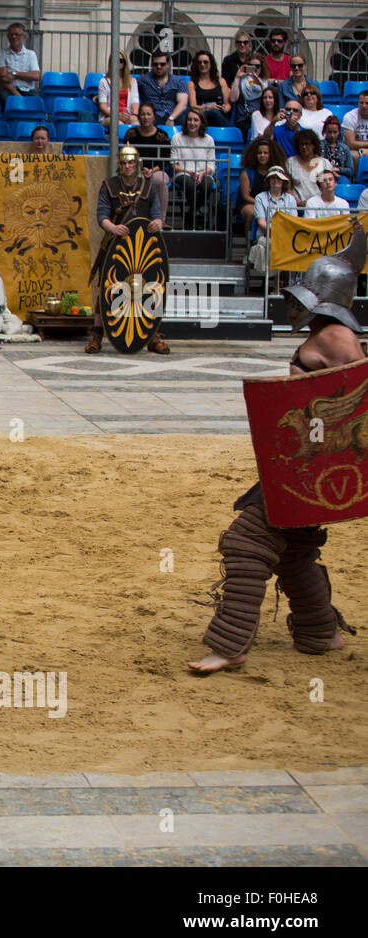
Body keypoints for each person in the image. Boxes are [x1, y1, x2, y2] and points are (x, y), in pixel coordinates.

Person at [188, 225, 365, 675]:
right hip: (311, 460)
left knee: (246, 541)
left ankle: (229, 645)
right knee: (293, 548)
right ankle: (320, 631)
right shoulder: (335, 337)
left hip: (310, 464)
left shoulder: (333, 339)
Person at [88, 146, 167, 355]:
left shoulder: (147, 187)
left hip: (143, 248)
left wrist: (158, 222)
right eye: (124, 163)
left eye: (131, 162)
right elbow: (102, 215)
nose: (127, 166)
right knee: (106, 288)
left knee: (150, 288)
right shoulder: (109, 186)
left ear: (137, 163)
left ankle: (153, 334)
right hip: (117, 245)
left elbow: (156, 214)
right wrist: (112, 227)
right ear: (119, 164)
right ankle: (97, 334)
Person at [170, 107, 217, 226]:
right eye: (189, 120)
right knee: (189, 183)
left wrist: (202, 173)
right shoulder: (177, 138)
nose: (192, 123)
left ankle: (191, 212)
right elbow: (173, 164)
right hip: (183, 173)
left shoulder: (209, 140)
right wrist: (188, 171)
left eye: (196, 120)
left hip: (203, 173)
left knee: (207, 184)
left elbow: (212, 164)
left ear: (201, 122)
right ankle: (196, 213)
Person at [247, 165, 297, 274]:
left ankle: (280, 284)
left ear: (283, 181)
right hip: (266, 235)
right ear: (268, 181)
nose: (275, 180)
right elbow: (261, 222)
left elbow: (293, 222)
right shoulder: (260, 198)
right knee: (270, 244)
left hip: (286, 236)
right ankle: (273, 282)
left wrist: (282, 234)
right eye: (273, 178)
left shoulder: (291, 199)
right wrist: (276, 232)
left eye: (278, 178)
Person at [123, 102, 172, 213]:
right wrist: (140, 168)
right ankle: (135, 216)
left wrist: (152, 170)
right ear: (139, 116)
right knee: (135, 178)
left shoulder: (162, 135)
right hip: (136, 170)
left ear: (154, 116)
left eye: (148, 114)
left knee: (161, 180)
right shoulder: (131, 133)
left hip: (156, 170)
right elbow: (127, 155)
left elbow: (165, 159)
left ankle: (160, 219)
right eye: (143, 114)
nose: (145, 117)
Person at [238, 138, 287, 237]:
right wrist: (262, 204)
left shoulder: (277, 171)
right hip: (251, 203)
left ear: (271, 155)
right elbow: (246, 196)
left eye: (265, 153)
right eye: (259, 153)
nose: (262, 155)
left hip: (272, 202)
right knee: (252, 213)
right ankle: (250, 244)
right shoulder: (247, 172)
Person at [0, 23, 40, 107]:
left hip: (28, 90)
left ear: (24, 37)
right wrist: (17, 95)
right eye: (11, 34)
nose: (14, 37)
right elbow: (3, 78)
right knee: (8, 100)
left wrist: (14, 74)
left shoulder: (31, 54)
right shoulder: (1, 53)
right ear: (8, 37)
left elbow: (36, 76)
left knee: (37, 103)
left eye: (17, 34)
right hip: (8, 90)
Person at [138, 52, 188, 125]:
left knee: (189, 122)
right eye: (156, 64)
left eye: (162, 64)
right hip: (152, 116)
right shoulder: (142, 80)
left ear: (168, 65)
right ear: (151, 65)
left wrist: (171, 118)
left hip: (173, 114)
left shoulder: (178, 81)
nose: (159, 66)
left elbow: (183, 103)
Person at [187, 50, 230, 129]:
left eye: (205, 62)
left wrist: (225, 108)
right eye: (199, 62)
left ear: (211, 64)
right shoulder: (192, 84)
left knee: (216, 113)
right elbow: (193, 106)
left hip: (219, 115)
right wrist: (209, 108)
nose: (202, 64)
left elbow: (227, 104)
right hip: (202, 116)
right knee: (212, 113)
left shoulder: (221, 81)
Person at [230, 53, 269, 138]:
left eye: (257, 66)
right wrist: (237, 77)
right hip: (244, 119)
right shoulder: (241, 81)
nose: (254, 69)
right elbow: (233, 99)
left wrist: (257, 80)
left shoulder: (265, 83)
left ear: (262, 68)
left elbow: (267, 94)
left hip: (261, 118)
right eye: (251, 66)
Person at [286, 128, 329, 206]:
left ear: (314, 145)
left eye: (307, 143)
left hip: (320, 207)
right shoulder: (290, 162)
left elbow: (329, 187)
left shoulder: (324, 163)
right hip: (297, 207)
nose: (304, 147)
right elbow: (287, 188)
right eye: (301, 144)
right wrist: (297, 203)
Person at [97, 50, 139, 127]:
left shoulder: (132, 81)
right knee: (119, 124)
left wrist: (134, 115)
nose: (118, 63)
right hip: (109, 116)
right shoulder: (104, 81)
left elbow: (135, 101)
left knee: (136, 124)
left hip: (127, 115)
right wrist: (116, 115)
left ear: (125, 62)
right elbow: (103, 105)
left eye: (121, 61)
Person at [341, 89, 368, 158]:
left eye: (367, 103)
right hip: (354, 150)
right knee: (353, 156)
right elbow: (351, 144)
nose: (364, 106)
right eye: (361, 103)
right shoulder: (350, 116)